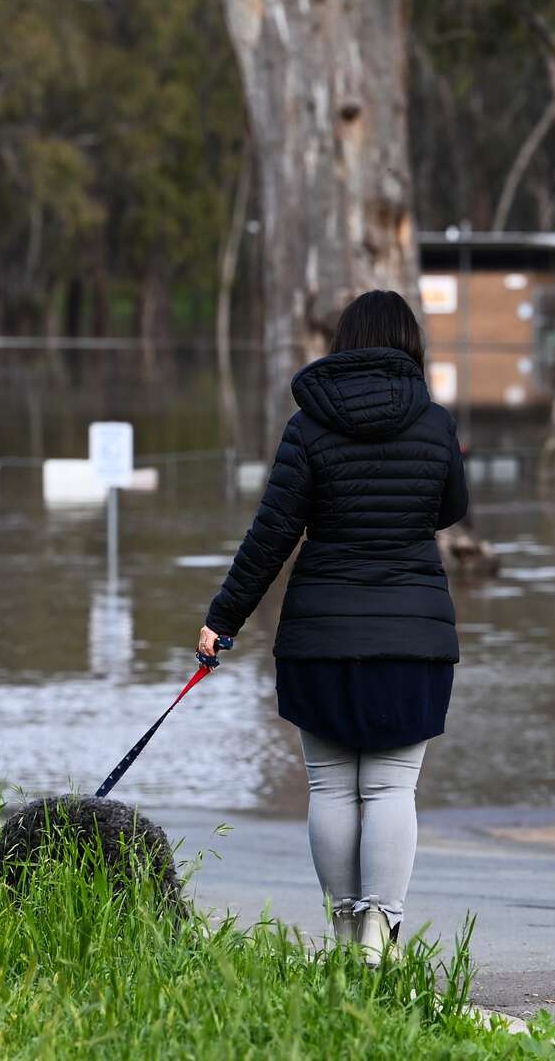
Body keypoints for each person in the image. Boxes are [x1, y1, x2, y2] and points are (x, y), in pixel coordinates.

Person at [197, 289, 468, 966]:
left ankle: (346, 939)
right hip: (413, 637)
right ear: (409, 343)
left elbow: (272, 537)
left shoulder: (308, 427)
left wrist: (221, 620)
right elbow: (451, 508)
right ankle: (381, 935)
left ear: (344, 342)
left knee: (330, 787)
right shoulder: (434, 425)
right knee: (390, 787)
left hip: (320, 637)